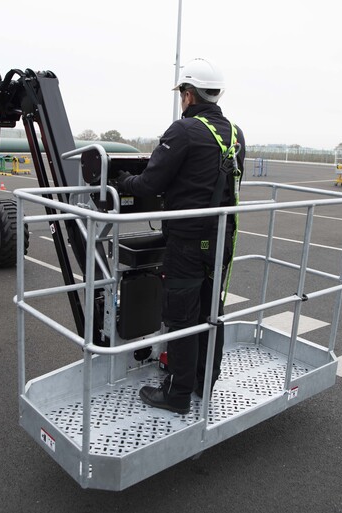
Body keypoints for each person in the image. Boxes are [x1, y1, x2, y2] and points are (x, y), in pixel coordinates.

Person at [114, 58, 246, 414]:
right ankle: (204, 383)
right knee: (211, 312)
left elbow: (150, 182)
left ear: (188, 94)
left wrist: (122, 181)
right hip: (221, 240)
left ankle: (177, 394)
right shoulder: (235, 133)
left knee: (182, 319)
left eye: (182, 94)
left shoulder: (183, 130)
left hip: (188, 243)